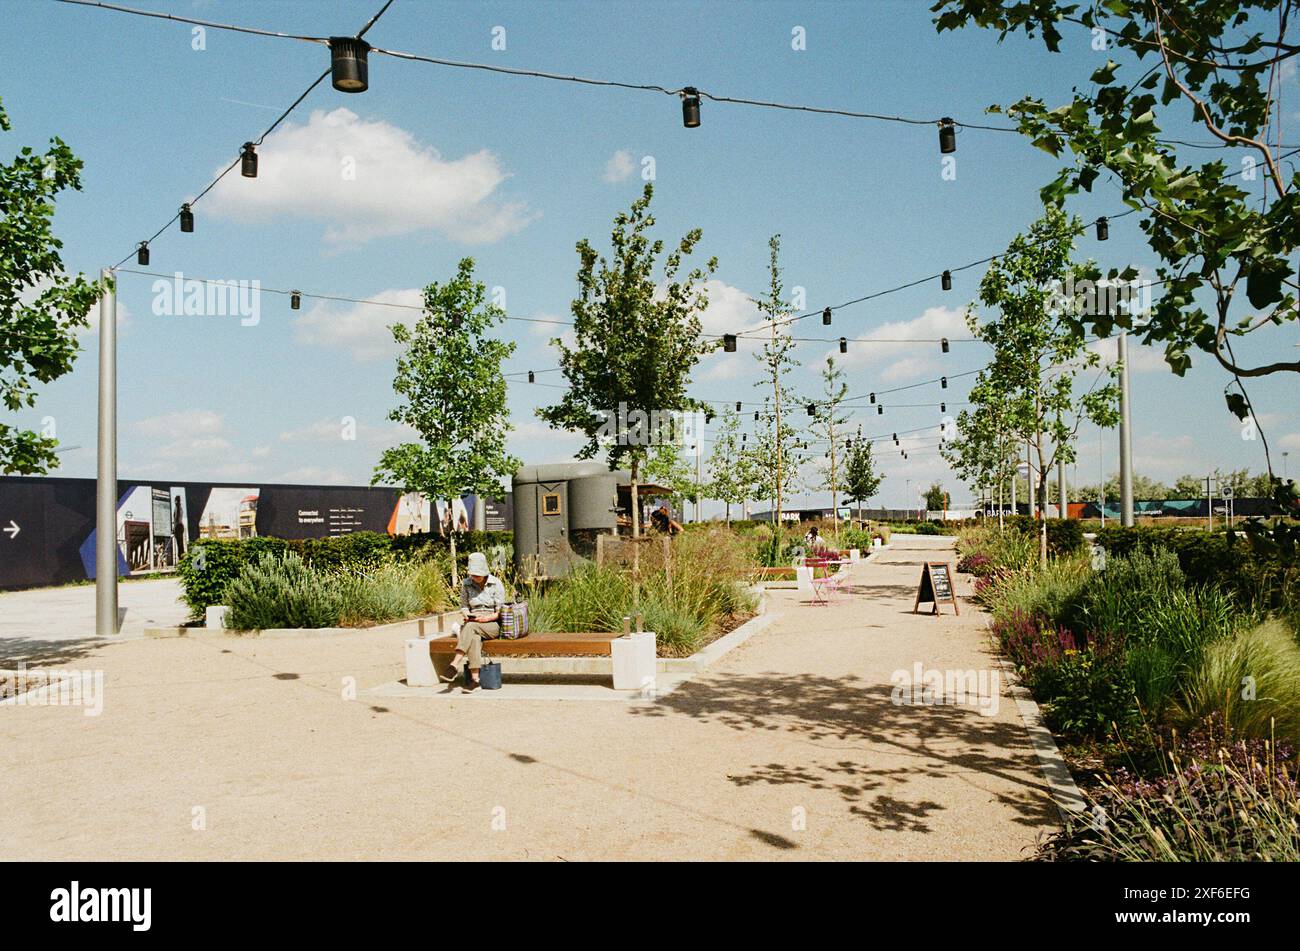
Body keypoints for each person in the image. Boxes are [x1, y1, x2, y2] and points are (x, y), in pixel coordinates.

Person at [440, 552, 506, 691]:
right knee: (474, 638)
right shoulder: (466, 584)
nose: (474, 578)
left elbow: (501, 611)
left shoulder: (496, 584)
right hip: (473, 621)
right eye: (473, 575)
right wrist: (467, 614)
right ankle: (475, 681)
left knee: (470, 627)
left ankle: (454, 664)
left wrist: (487, 618)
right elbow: (464, 605)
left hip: (491, 624)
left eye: (477, 575)